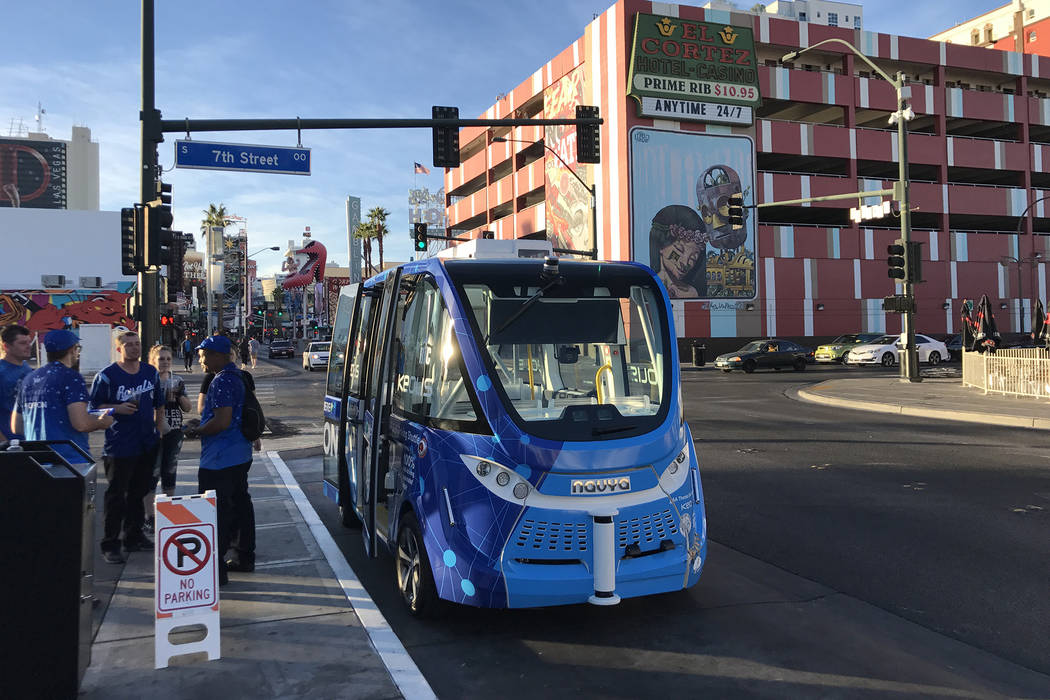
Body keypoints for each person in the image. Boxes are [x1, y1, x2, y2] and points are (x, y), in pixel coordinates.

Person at [184, 335, 258, 585]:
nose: (200, 359)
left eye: (204, 354)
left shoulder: (223, 381)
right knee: (240, 506)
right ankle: (243, 557)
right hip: (238, 454)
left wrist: (197, 430)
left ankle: (216, 571)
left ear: (218, 355)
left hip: (220, 458)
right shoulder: (236, 376)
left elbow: (222, 421)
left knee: (215, 514)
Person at [89, 331, 166, 564]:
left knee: (139, 492)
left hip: (146, 443)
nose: (134, 348)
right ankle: (110, 544)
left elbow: (159, 404)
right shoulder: (107, 376)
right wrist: (116, 409)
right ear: (119, 349)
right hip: (119, 445)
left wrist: (159, 430)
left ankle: (133, 535)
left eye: (137, 344)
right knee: (116, 496)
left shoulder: (150, 372)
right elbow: (93, 408)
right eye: (129, 345)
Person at [11, 330, 113, 463]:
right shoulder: (71, 377)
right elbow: (81, 424)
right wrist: (103, 421)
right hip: (69, 460)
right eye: (78, 348)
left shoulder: (29, 378)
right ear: (72, 350)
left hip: (36, 460)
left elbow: (16, 426)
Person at [143, 345, 192, 534]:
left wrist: (178, 397)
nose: (164, 363)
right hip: (152, 432)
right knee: (151, 473)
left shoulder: (177, 380)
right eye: (161, 359)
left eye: (168, 359)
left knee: (169, 471)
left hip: (174, 430)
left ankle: (169, 512)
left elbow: (188, 408)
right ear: (153, 361)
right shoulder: (147, 381)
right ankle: (150, 516)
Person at [648, 204, 708, 299]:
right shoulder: (647, 288)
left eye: (693, 258)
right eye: (679, 250)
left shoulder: (691, 293)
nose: (685, 263)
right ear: (661, 246)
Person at [0, 324, 33, 442]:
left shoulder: (27, 368)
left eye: (29, 342)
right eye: (22, 343)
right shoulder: (2, 373)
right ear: (6, 346)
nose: (28, 346)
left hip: (30, 439)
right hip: (9, 443)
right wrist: (4, 444)